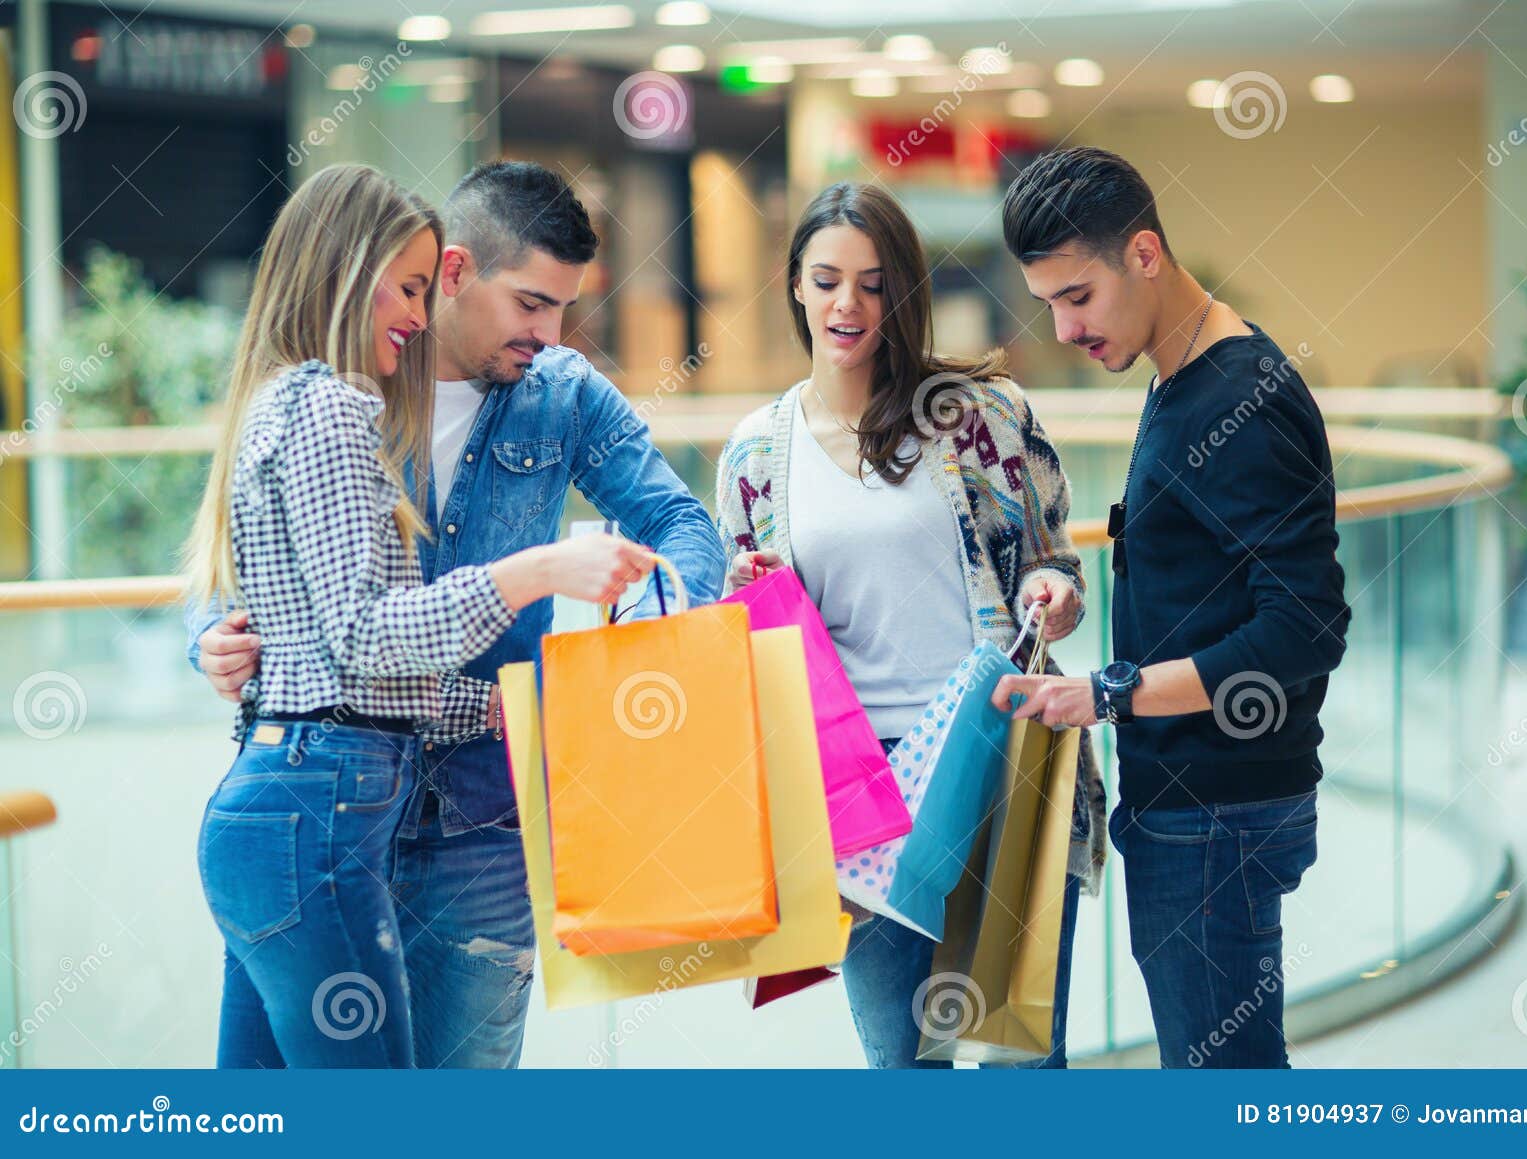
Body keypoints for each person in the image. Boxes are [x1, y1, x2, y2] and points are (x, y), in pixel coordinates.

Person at [187, 161, 725, 1067]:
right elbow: (265, 575)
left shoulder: (563, 393)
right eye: (529, 304)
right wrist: (207, 639)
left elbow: (680, 522)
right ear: (455, 272)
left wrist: (647, 644)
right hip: (333, 794)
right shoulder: (347, 394)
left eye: (563, 309)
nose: (549, 335)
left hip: (476, 817)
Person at [715, 181, 1107, 1069]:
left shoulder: (979, 418)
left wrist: (1051, 594)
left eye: (872, 283)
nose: (847, 305)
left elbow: (1058, 568)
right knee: (902, 1063)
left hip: (998, 761)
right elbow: (750, 646)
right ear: (795, 288)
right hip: (860, 795)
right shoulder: (754, 455)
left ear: (904, 294)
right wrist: (743, 591)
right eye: (825, 281)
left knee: (1023, 1059)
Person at [994, 146, 1350, 1068]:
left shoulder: (1232, 397)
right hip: (1202, 805)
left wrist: (1110, 692)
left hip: (1213, 816)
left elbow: (1306, 625)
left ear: (1144, 254)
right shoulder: (1181, 368)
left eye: (1079, 297)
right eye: (1049, 306)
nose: (1066, 330)